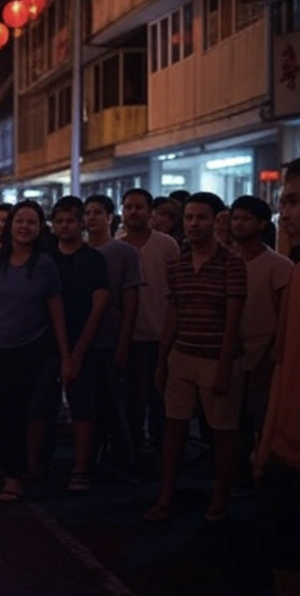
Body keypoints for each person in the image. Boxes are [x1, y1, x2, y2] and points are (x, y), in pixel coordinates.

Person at [145, 192, 247, 523]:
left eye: (201, 217)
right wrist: (163, 360)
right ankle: (165, 496)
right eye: (188, 217)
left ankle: (220, 496)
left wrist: (224, 366)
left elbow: (233, 318)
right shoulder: (176, 264)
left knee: (223, 432)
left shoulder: (232, 264)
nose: (193, 224)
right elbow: (173, 312)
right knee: (173, 430)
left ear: (218, 221)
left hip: (219, 357)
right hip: (182, 355)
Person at [0, 200, 69, 503]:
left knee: (23, 413)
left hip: (30, 349)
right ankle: (11, 471)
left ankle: (19, 471)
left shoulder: (46, 264)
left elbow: (56, 311)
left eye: (31, 222)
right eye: (19, 220)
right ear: (10, 225)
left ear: (39, 228)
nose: (24, 226)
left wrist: (66, 355)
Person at [255, 158, 300, 596]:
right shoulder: (297, 273)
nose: (284, 213)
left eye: (294, 202)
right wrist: (267, 443)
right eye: (285, 201)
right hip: (286, 454)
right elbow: (283, 362)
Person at [46, 197, 109, 491]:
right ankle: (38, 464)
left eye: (70, 220)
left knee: (84, 408)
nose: (64, 226)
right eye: (59, 221)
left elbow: (99, 306)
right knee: (41, 405)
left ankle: (81, 467)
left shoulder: (94, 259)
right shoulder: (47, 258)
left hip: (86, 341)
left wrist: (77, 351)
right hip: (47, 340)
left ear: (81, 222)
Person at [120, 188, 181, 466]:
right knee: (133, 398)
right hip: (127, 336)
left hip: (162, 332)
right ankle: (132, 451)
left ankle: (161, 453)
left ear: (149, 211)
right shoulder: (116, 245)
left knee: (161, 399)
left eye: (139, 207)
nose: (133, 212)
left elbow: (177, 290)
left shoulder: (167, 245)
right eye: (128, 207)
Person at [84, 195, 144, 475]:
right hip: (82, 340)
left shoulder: (124, 253)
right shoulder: (79, 251)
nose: (92, 218)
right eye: (88, 213)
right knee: (89, 405)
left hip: (112, 337)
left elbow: (131, 301)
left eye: (98, 213)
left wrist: (124, 342)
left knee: (116, 403)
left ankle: (125, 458)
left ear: (110, 217)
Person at [230, 197, 292, 457]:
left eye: (246, 218)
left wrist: (271, 356)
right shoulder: (227, 261)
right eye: (235, 218)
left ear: (262, 224)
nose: (238, 224)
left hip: (264, 352)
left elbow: (284, 316)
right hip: (231, 352)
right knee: (231, 420)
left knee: (262, 418)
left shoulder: (279, 266)